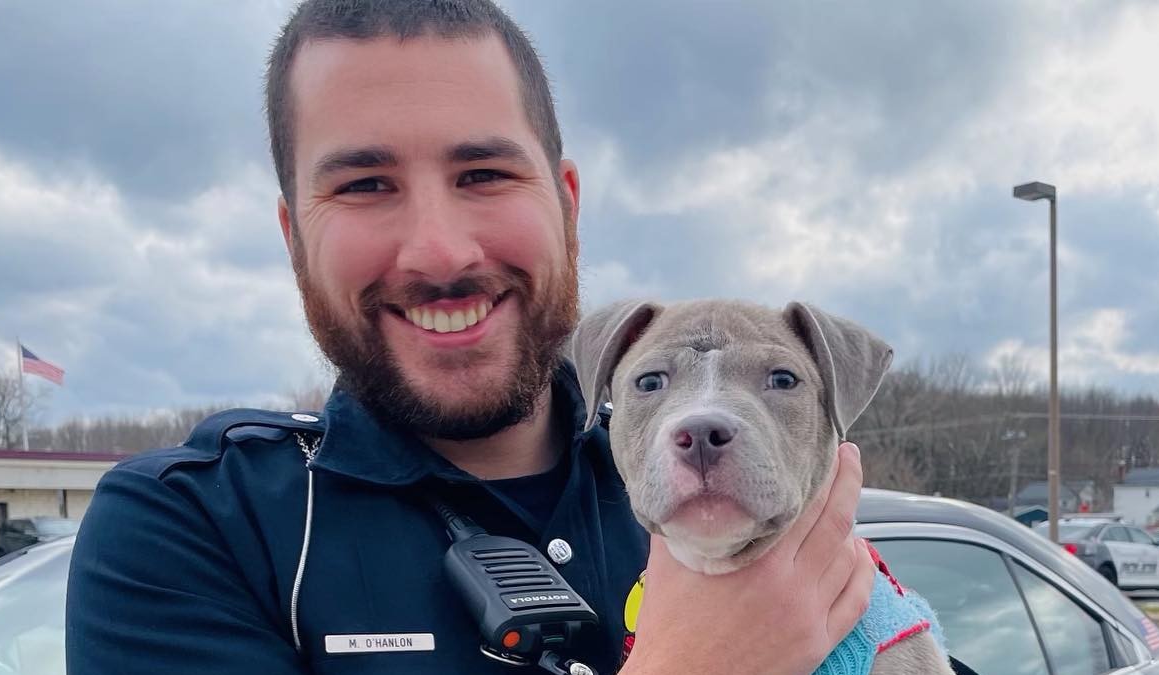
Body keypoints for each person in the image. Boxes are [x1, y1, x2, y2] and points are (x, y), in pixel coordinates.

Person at [65, 1, 874, 673]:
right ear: (292, 234)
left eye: (483, 174)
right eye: (365, 185)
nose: (440, 251)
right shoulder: (191, 531)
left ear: (566, 205)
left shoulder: (752, 487)